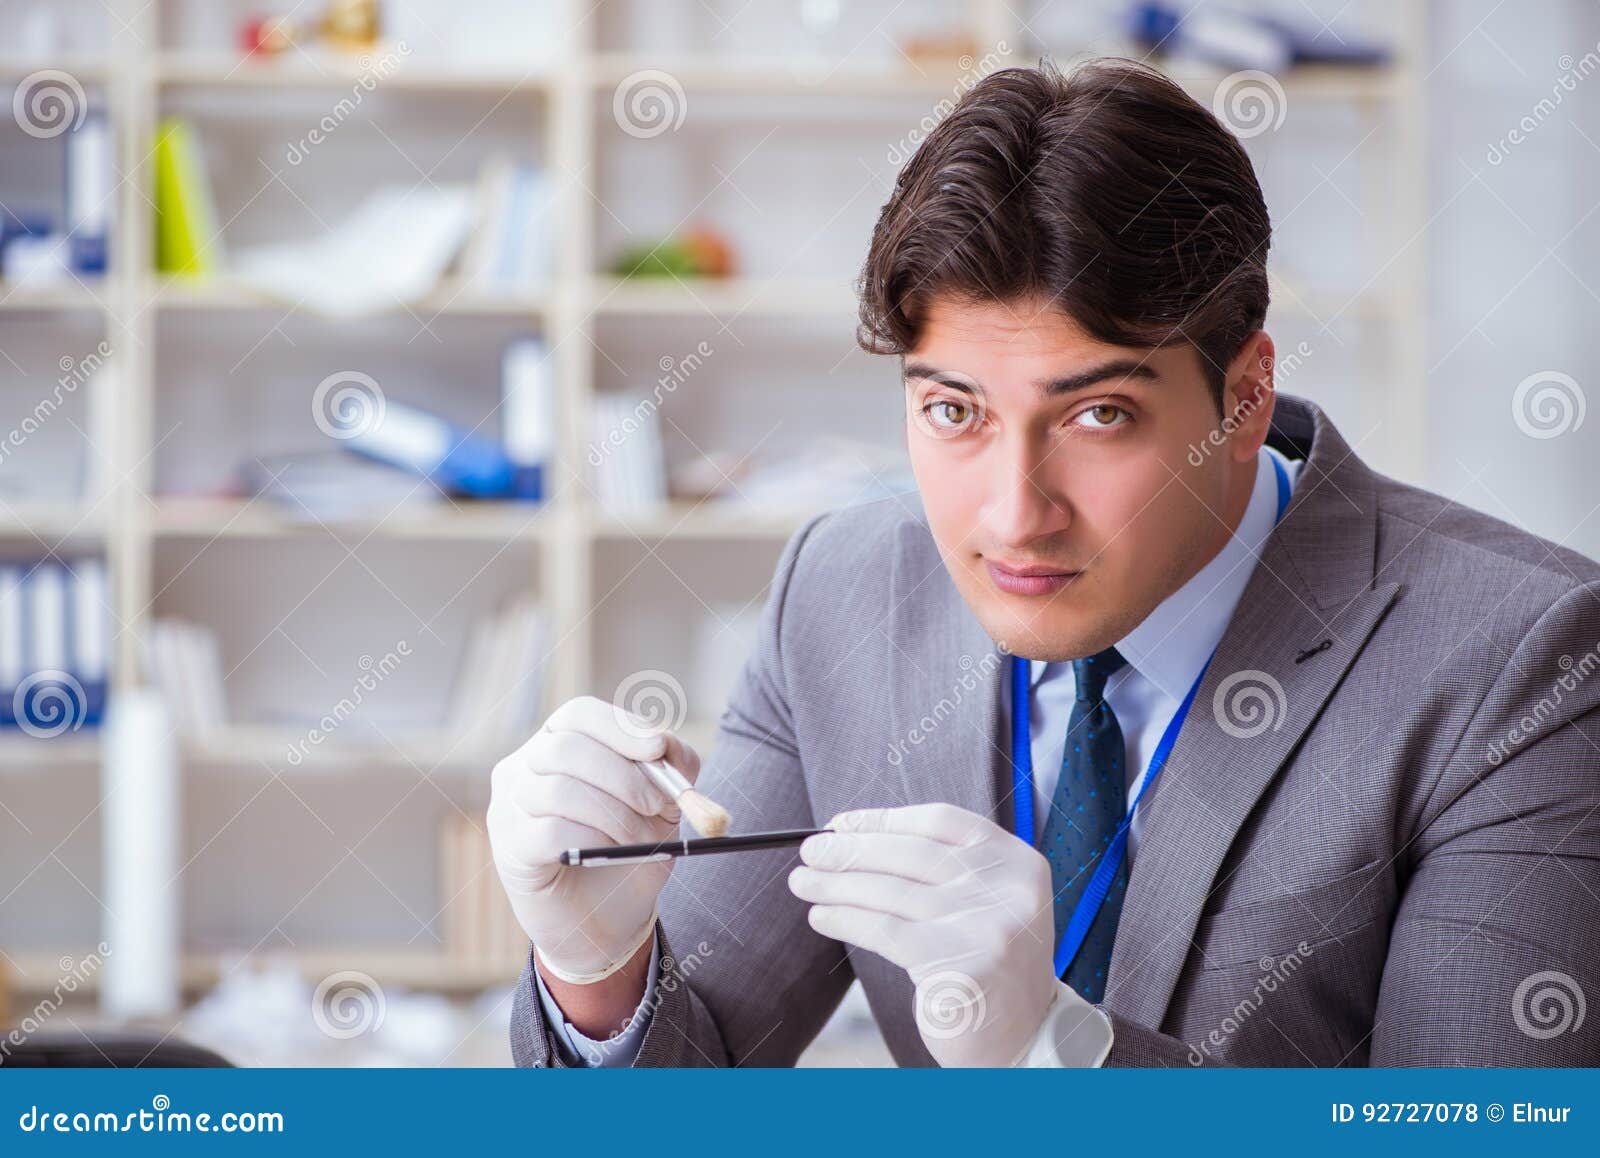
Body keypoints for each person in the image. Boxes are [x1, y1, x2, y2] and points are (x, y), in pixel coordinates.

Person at [490, 58, 1600, 1067]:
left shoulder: (1524, 659)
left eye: (1098, 415)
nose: (1015, 515)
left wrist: (1054, 1052)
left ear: (1246, 396)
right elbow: (694, 1074)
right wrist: (599, 973)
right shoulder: (842, 593)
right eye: (954, 411)